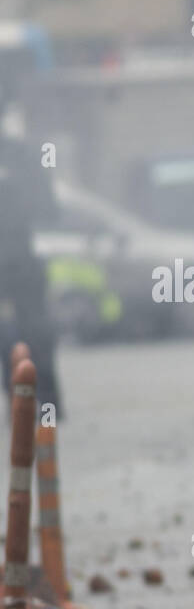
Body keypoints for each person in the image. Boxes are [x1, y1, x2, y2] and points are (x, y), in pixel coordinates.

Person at [0, 84, 60, 412]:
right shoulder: (24, 156)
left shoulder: (23, 157)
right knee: (34, 330)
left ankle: (35, 400)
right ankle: (46, 400)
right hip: (21, 260)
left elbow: (47, 209)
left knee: (29, 330)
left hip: (19, 261)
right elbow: (50, 210)